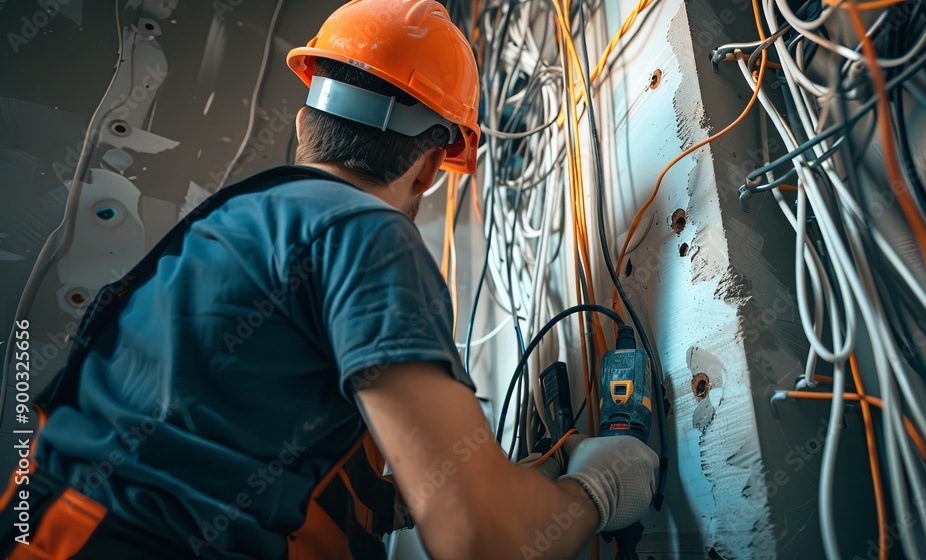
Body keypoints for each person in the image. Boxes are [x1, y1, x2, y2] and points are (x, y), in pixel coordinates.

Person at [1, 0, 658, 558]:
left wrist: (476, 482)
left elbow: (237, 453)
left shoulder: (228, 229)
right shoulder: (365, 234)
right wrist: (594, 493)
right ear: (431, 168)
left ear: (304, 120)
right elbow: (480, 539)